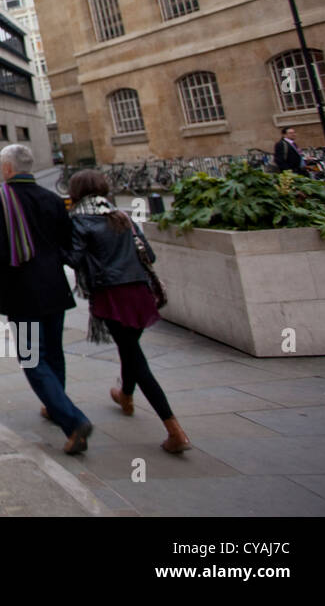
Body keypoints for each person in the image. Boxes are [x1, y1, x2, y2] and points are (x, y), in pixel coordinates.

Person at [65, 169, 192, 454]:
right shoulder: (120, 215)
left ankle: (175, 430)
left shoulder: (80, 220)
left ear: (76, 192)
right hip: (139, 292)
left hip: (112, 295)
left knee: (136, 359)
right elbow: (149, 254)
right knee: (130, 348)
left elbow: (73, 258)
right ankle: (125, 395)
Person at [0, 144, 92, 454]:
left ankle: (72, 420)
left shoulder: (0, 201)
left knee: (32, 358)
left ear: (8, 169)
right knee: (54, 352)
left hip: (21, 293)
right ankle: (55, 405)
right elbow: (66, 243)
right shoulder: (53, 199)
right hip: (54, 287)